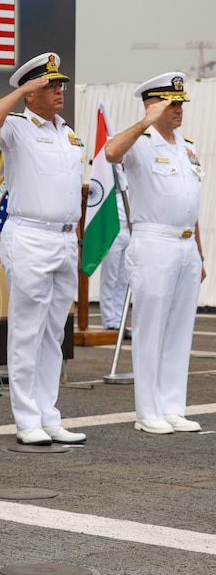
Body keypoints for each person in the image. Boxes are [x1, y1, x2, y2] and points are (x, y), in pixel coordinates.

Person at [0, 52, 87, 446]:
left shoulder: (68, 133)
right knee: (27, 330)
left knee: (54, 332)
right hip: (30, 235)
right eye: (50, 85)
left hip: (62, 238)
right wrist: (22, 89)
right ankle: (26, 419)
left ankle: (49, 414)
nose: (59, 91)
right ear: (31, 92)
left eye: (60, 85)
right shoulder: (18, 127)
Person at [103, 72, 205, 434]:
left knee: (180, 329)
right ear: (153, 104)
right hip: (154, 241)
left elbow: (189, 201)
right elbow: (111, 152)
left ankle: (173, 405)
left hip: (185, 243)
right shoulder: (139, 142)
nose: (179, 110)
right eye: (171, 104)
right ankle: (147, 411)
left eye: (180, 104)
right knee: (150, 328)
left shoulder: (186, 145)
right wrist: (146, 119)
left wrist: (199, 251)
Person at [99, 163, 132, 336]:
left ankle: (119, 320)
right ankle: (109, 321)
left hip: (130, 229)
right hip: (115, 230)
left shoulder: (134, 174)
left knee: (124, 279)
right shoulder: (111, 178)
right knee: (109, 278)